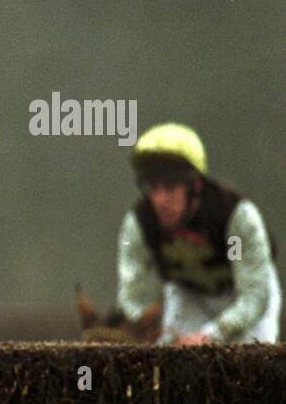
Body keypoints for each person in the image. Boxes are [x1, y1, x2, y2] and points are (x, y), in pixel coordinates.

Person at [116, 123, 280, 344]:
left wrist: (213, 334)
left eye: (171, 187)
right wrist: (143, 322)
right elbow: (132, 293)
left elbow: (254, 295)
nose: (160, 200)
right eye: (153, 187)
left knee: (249, 360)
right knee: (170, 357)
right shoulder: (140, 223)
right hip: (189, 295)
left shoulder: (234, 216)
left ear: (195, 186)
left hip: (240, 297)